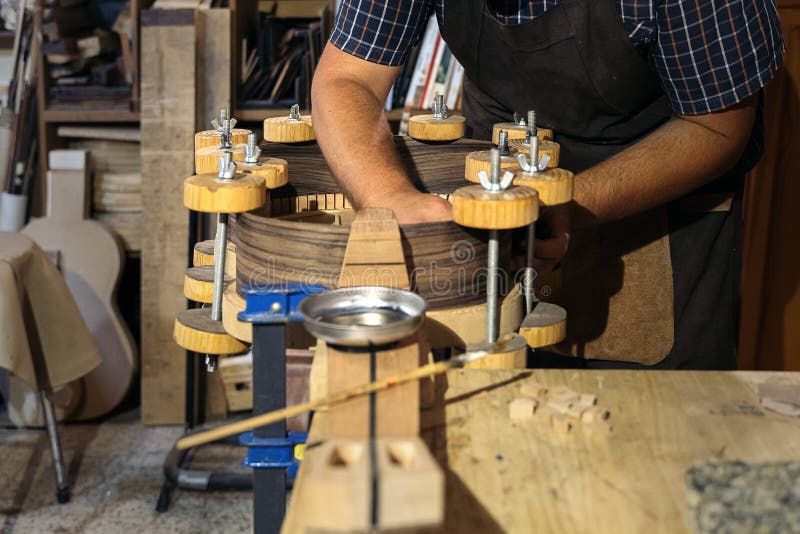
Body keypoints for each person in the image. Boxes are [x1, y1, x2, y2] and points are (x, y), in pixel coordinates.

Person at [310, 0, 785, 369]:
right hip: (495, 204)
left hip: (655, 214)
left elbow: (717, 128)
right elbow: (348, 78)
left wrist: (570, 204)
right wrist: (391, 199)